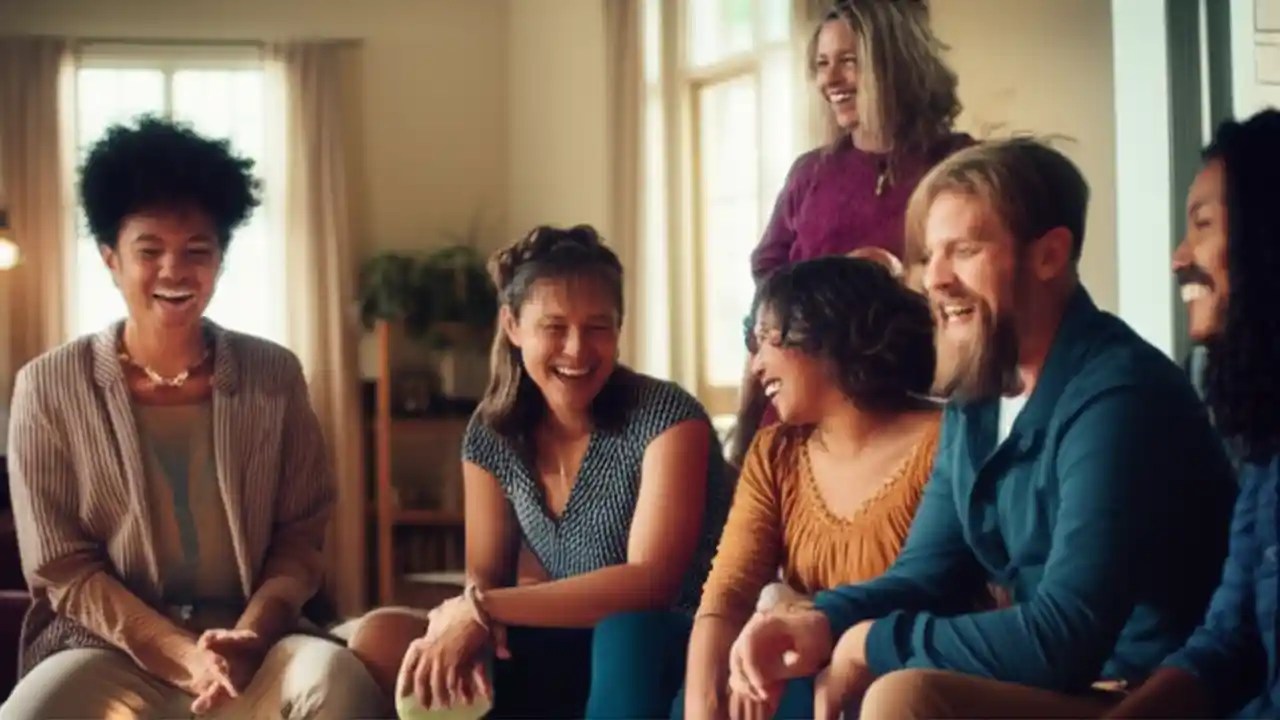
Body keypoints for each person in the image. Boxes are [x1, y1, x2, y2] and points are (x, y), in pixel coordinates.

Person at [727, 138, 1238, 719]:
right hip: (1079, 687)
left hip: (1151, 696)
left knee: (904, 697)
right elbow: (924, 575)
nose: (934, 281)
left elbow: (1065, 638)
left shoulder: (1118, 396)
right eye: (927, 256)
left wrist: (871, 643)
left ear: (1049, 256)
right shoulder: (977, 396)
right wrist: (816, 621)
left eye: (963, 250)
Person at [0, 117, 381, 719]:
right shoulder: (48, 385)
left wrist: (249, 638)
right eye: (149, 251)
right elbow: (62, 568)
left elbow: (300, 538)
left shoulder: (273, 373)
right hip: (109, 649)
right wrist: (182, 654)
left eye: (196, 252)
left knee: (340, 684)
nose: (175, 271)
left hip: (259, 644)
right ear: (111, 259)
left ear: (221, 261)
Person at [347, 225, 735, 719]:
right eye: (554, 326)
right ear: (512, 326)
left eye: (598, 327)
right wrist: (473, 622)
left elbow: (651, 584)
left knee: (623, 636)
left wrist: (485, 609)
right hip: (567, 645)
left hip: (667, 648)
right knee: (382, 636)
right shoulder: (491, 435)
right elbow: (484, 580)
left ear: (619, 328)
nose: (577, 349)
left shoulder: (667, 416)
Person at [587, 256, 945, 719]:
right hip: (783, 648)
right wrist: (703, 707)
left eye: (766, 341)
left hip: (879, 663)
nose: (755, 367)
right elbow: (728, 592)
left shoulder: (944, 440)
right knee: (632, 636)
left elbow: (940, 591)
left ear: (825, 331)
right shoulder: (775, 451)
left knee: (772, 676)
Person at [732, 0, 971, 466]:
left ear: (894, 63)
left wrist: (897, 280)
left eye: (848, 62)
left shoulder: (959, 167)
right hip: (796, 425)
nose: (830, 81)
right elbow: (767, 294)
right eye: (822, 65)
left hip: (908, 420)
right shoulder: (809, 174)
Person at [1105, 109, 1280, 719]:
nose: (1179, 258)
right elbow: (1224, 643)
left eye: (1202, 224)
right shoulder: (1266, 442)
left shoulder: (1118, 389)